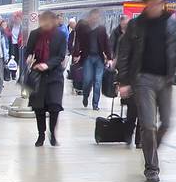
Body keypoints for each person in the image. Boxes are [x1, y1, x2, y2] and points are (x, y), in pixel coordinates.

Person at [116, 0, 176, 182]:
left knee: (167, 123)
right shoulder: (136, 25)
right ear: (146, 4)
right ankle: (151, 167)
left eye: (159, 3)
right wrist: (123, 81)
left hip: (166, 80)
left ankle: (150, 148)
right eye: (152, 3)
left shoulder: (172, 23)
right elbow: (124, 53)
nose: (156, 7)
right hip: (143, 79)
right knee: (147, 124)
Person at [24, 11, 67, 147]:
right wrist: (29, 58)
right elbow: (28, 51)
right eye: (43, 22)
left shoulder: (60, 35)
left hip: (55, 75)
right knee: (39, 107)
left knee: (54, 105)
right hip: (38, 76)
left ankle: (53, 134)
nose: (45, 24)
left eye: (48, 22)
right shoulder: (34, 34)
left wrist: (47, 65)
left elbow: (60, 56)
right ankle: (41, 134)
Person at [110, 14, 139, 149]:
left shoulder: (143, 40)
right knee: (133, 110)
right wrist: (122, 82)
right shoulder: (123, 40)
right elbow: (122, 61)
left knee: (142, 112)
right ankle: (129, 134)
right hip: (130, 80)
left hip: (142, 81)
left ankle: (138, 138)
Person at [75, 9, 111, 109]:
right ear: (90, 17)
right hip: (88, 57)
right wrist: (76, 53)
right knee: (87, 80)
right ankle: (85, 96)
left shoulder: (101, 29)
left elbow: (106, 43)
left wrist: (109, 57)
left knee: (98, 81)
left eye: (97, 16)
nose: (95, 18)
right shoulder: (84, 29)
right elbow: (78, 41)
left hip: (99, 58)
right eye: (93, 16)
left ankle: (95, 104)